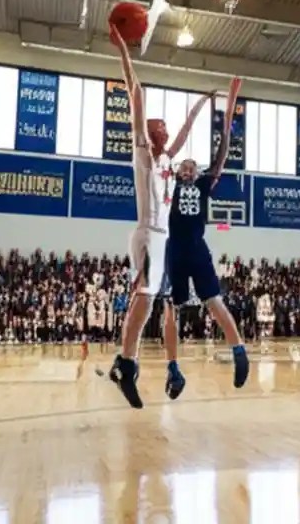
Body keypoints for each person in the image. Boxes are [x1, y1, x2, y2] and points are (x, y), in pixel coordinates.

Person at [107, 24, 215, 409]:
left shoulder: (168, 159)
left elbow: (185, 130)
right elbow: (135, 95)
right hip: (148, 233)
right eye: (160, 126)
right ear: (150, 132)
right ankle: (126, 361)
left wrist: (201, 106)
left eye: (167, 127)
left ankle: (138, 362)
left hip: (164, 238)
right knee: (144, 298)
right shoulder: (142, 153)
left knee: (156, 301)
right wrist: (124, 52)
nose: (165, 129)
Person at [163, 79, 250, 397]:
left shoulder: (202, 185)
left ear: (198, 175)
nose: (186, 169)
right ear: (176, 173)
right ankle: (173, 368)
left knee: (214, 300)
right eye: (183, 167)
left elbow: (222, 154)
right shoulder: (167, 183)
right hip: (174, 249)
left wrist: (229, 112)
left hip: (197, 248)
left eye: (191, 167)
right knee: (170, 306)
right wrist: (198, 105)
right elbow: (180, 134)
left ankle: (239, 350)